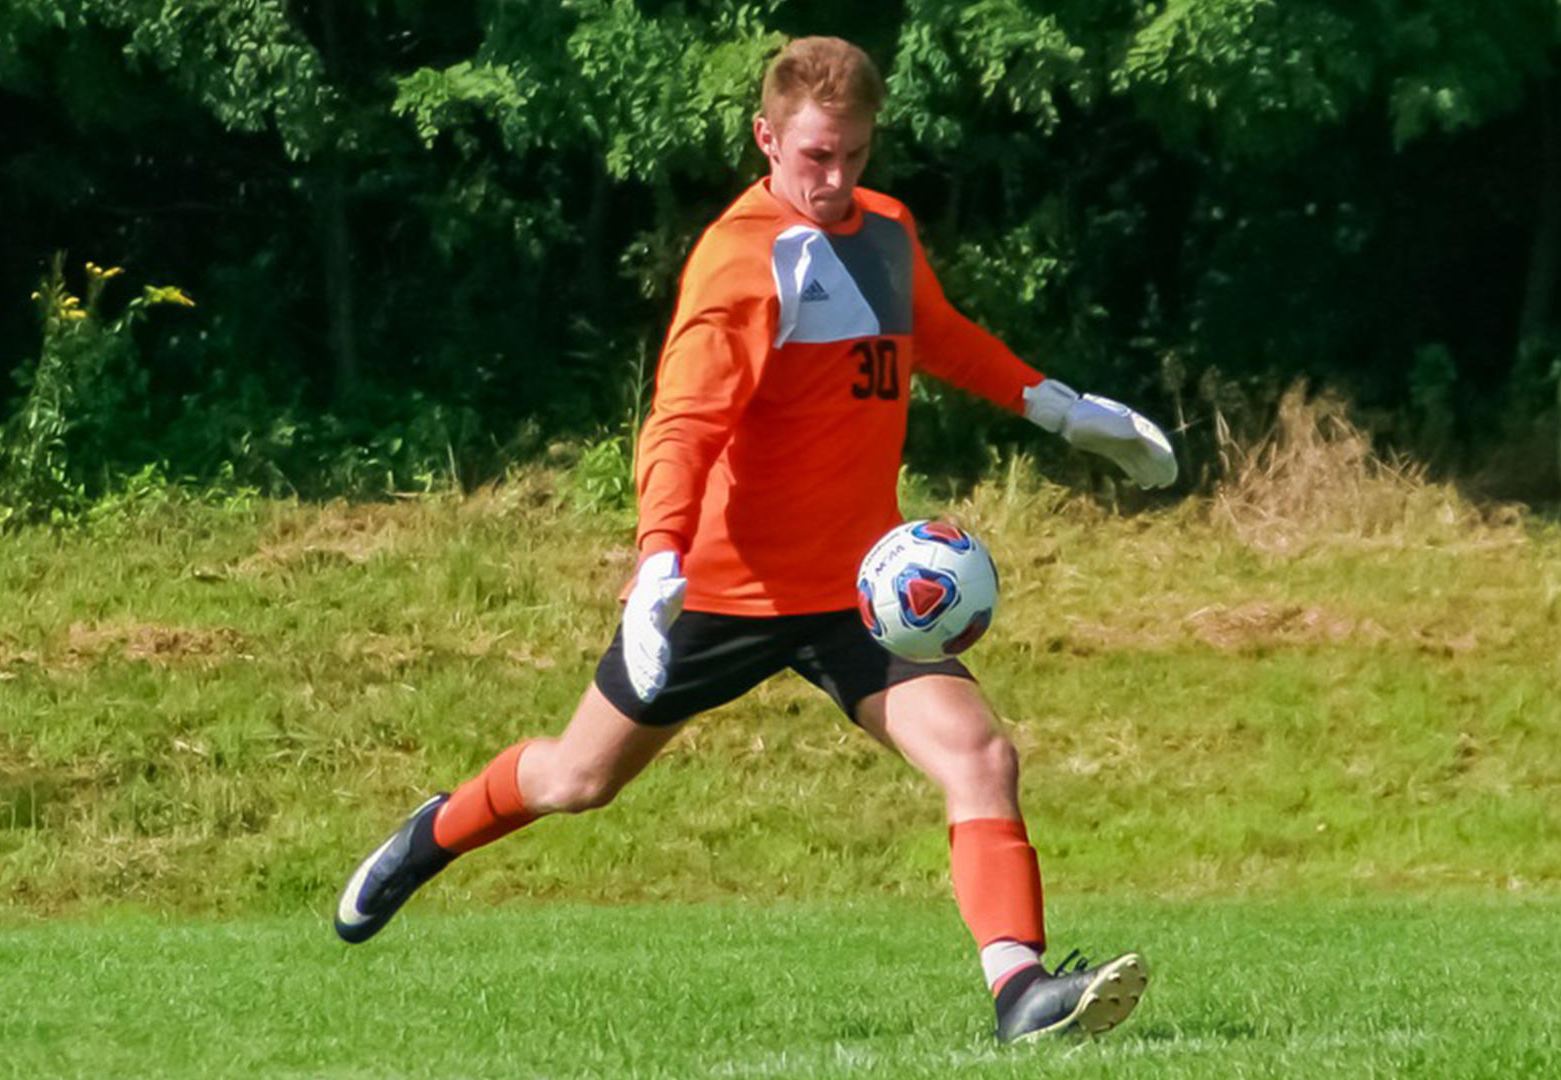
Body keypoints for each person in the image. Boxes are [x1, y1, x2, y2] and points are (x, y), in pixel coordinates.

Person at [334, 36, 1176, 1045]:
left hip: (864, 591)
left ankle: (1021, 993)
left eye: (856, 157)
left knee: (982, 756)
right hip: (721, 595)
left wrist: (1058, 408)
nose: (836, 180)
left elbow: (937, 333)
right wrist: (658, 565)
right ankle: (430, 835)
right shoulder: (743, 265)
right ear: (766, 138)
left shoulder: (888, 232)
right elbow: (682, 427)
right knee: (576, 780)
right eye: (817, 156)